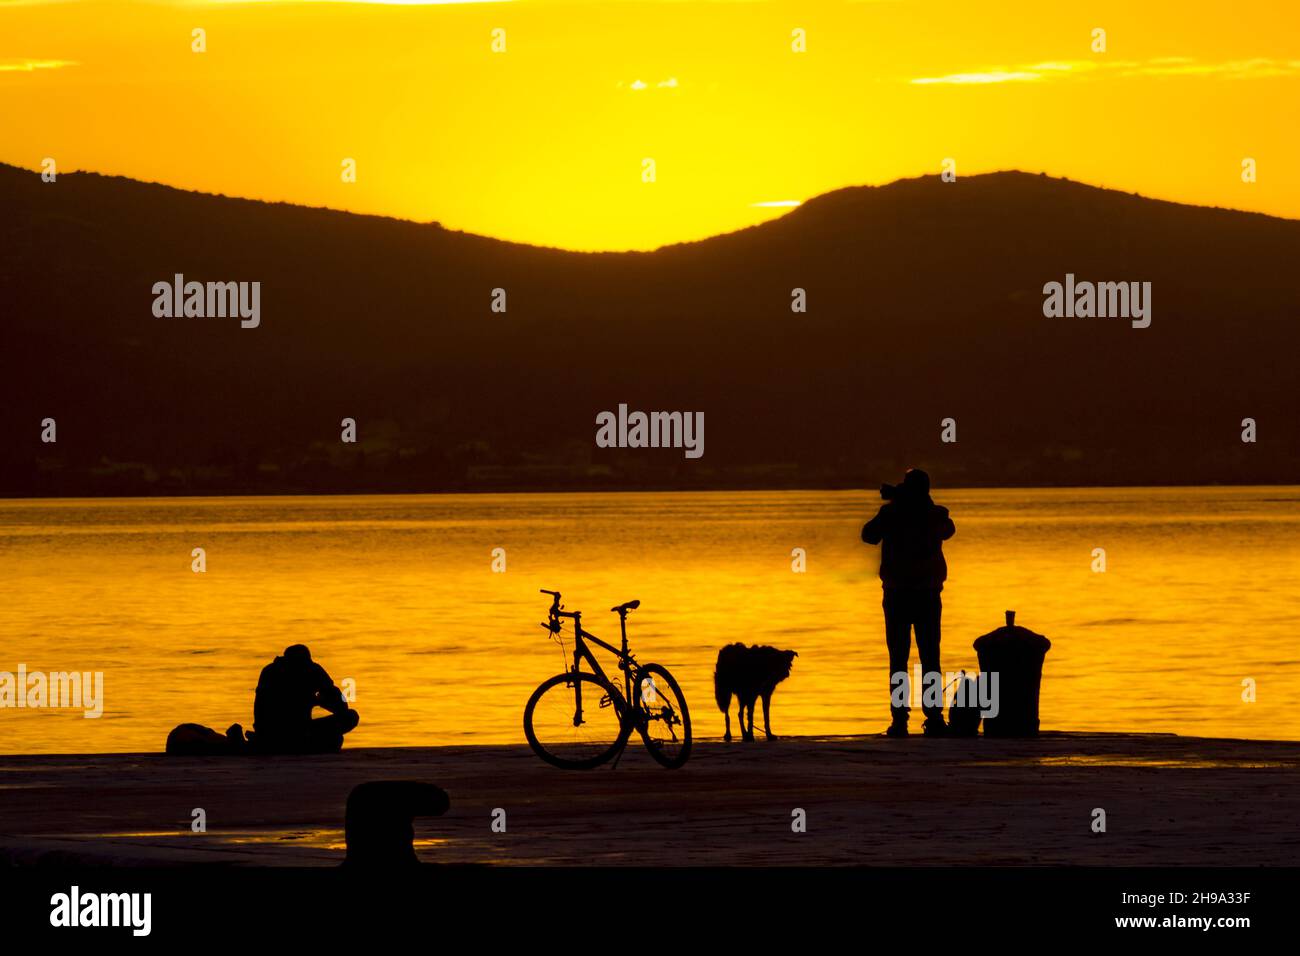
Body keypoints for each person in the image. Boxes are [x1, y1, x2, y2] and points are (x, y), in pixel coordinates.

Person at [861, 468, 955, 737]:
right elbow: (947, 528)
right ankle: (934, 718)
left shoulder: (894, 513)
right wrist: (906, 501)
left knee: (899, 659)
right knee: (930, 657)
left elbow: (868, 535)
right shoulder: (932, 514)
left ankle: (900, 720)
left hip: (898, 595)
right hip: (925, 595)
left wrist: (897, 502)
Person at [245, 644, 359, 754]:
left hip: (299, 730)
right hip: (277, 731)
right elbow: (265, 708)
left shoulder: (312, 670)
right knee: (335, 739)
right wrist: (316, 700)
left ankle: (297, 744)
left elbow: (340, 705)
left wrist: (320, 700)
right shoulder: (272, 672)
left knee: (349, 719)